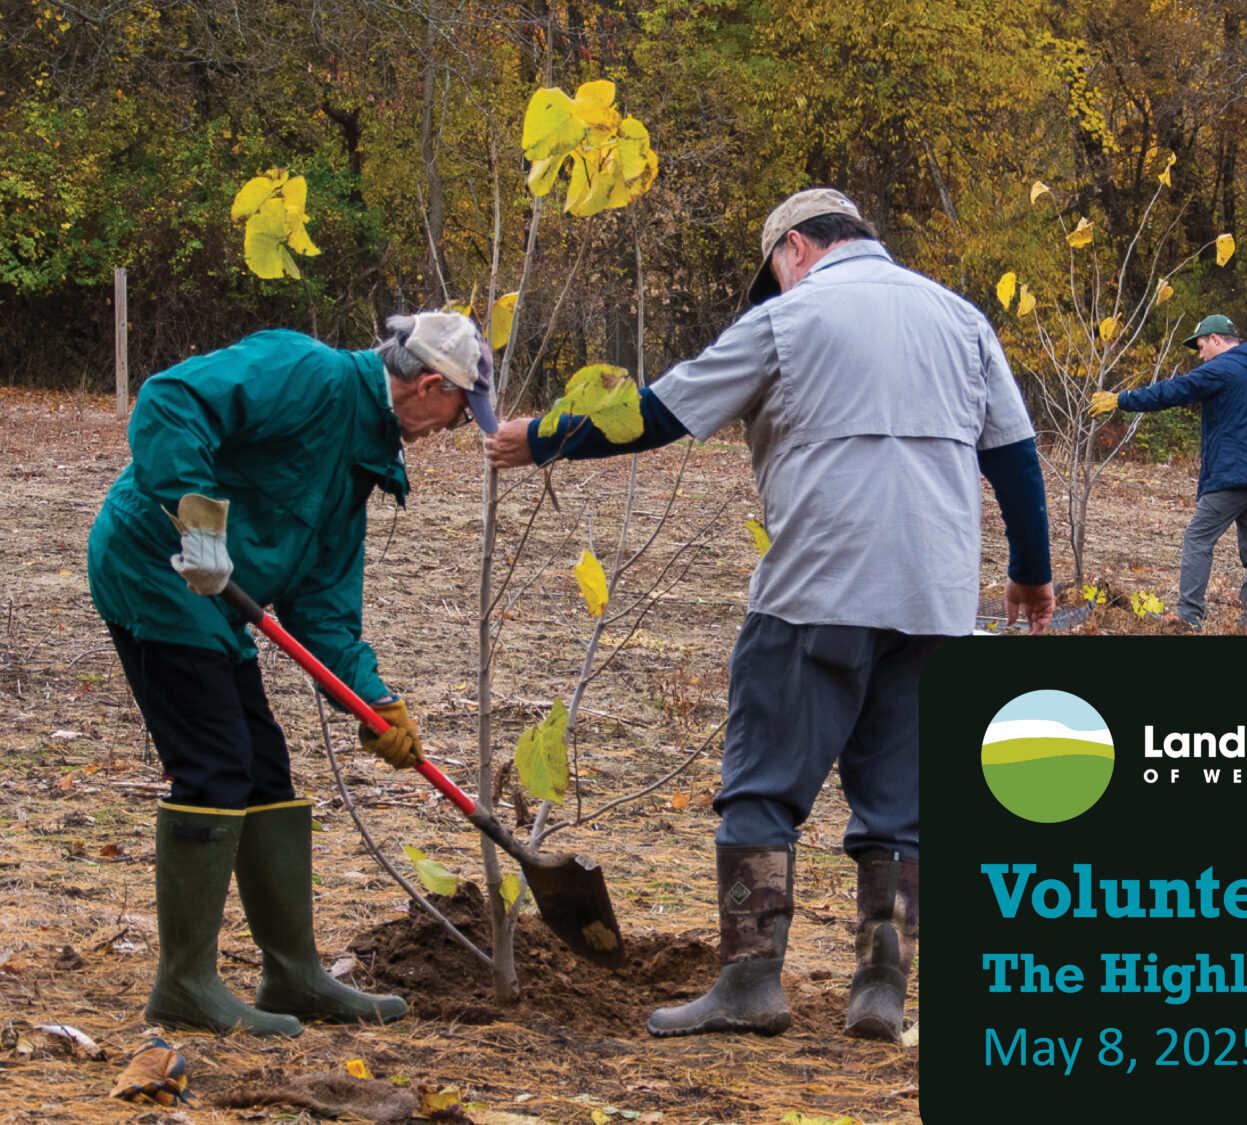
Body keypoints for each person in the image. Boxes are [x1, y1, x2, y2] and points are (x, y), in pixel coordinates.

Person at [485, 187, 1056, 1042]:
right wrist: (1031, 575)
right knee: (900, 801)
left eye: (775, 273)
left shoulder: (792, 321)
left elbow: (656, 413)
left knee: (763, 784)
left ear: (794, 247)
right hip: (936, 597)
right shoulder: (962, 320)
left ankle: (751, 983)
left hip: (817, 589)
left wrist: (538, 438)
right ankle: (880, 988)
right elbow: (1014, 457)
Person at [87, 312, 496, 1036]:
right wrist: (199, 519)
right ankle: (183, 984)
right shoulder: (305, 373)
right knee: (216, 763)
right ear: (431, 384)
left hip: (217, 598)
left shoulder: (361, 458)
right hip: (156, 566)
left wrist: (376, 701)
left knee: (265, 768)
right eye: (460, 413)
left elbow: (324, 610)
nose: (452, 429)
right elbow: (171, 400)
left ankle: (293, 975)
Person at [1087, 313, 1247, 630]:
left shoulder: (1222, 368)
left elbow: (1176, 390)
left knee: (1198, 537)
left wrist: (1122, 400)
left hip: (1234, 473)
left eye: (1202, 345)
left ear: (1217, 340)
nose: (1201, 354)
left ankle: (1189, 615)